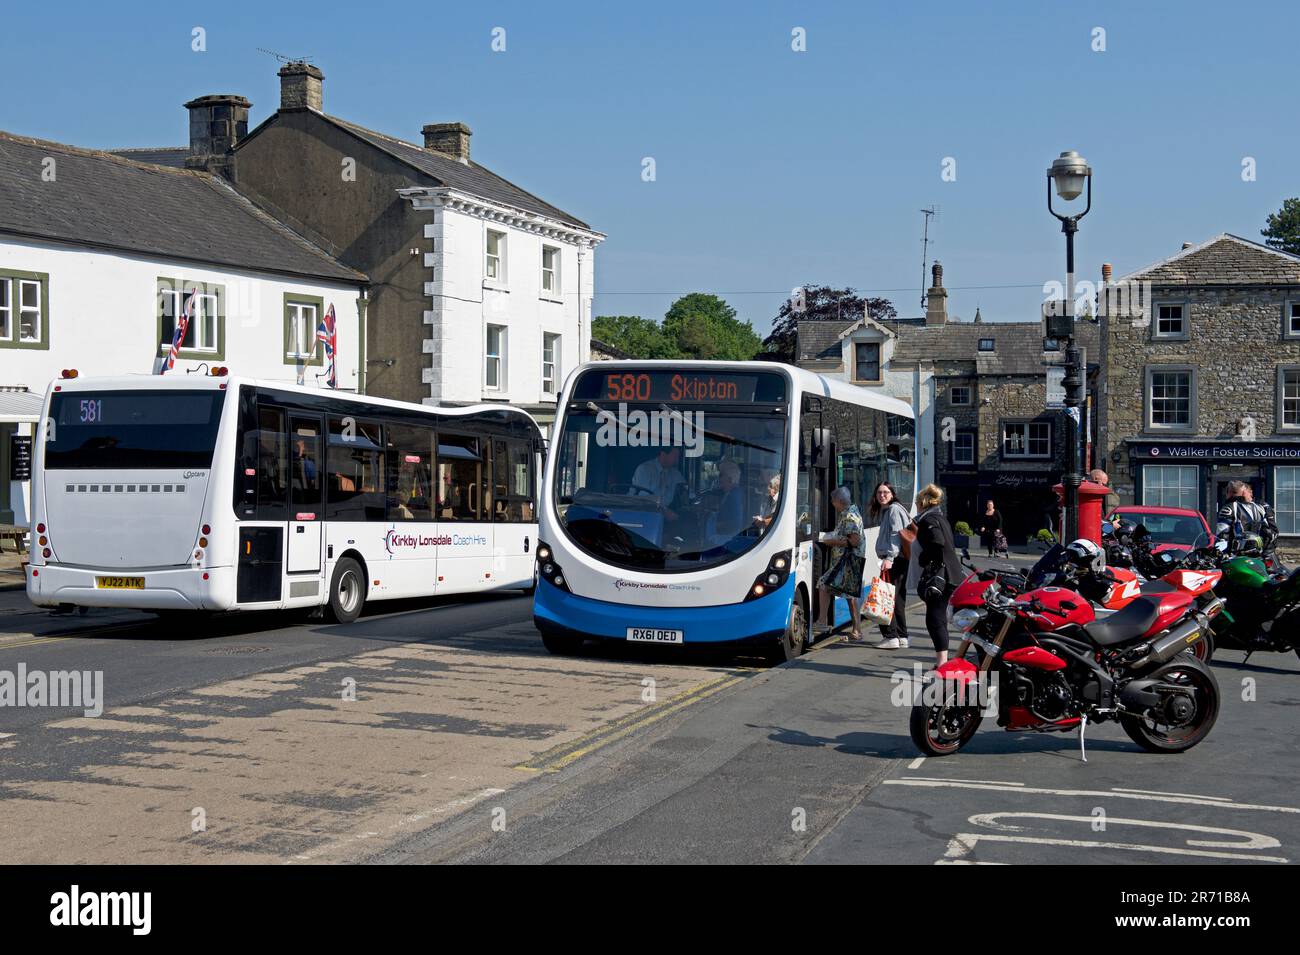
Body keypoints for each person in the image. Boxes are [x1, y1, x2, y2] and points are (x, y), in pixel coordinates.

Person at [915, 484, 962, 667]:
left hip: (943, 575)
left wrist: (924, 558)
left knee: (935, 619)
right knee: (938, 617)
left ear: (922, 503)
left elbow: (938, 542)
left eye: (917, 503)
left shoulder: (929, 520)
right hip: (951, 573)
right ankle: (942, 662)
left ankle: (942, 664)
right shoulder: (939, 517)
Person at [818, 486, 866, 642]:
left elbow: (855, 540)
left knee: (824, 584)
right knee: (850, 596)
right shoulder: (850, 512)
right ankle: (857, 630)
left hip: (848, 561)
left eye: (833, 501)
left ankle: (822, 621)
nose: (832, 504)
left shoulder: (849, 516)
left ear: (839, 501)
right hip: (849, 560)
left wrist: (831, 541)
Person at [870, 481, 911, 650]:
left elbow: (895, 535)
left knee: (886, 598)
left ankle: (891, 636)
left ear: (892, 494)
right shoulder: (894, 508)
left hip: (894, 559)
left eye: (886, 492)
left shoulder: (893, 509)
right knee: (898, 599)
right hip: (901, 559)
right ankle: (902, 636)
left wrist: (889, 558)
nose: (882, 495)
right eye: (879, 492)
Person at [1216, 480, 1278, 552]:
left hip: (1237, 555)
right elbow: (1273, 533)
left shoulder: (1229, 508)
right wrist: (1267, 553)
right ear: (1244, 492)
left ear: (1229, 493)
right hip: (1261, 554)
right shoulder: (1263, 506)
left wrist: (1220, 553)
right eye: (1249, 491)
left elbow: (1222, 535)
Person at [631, 447, 685, 518]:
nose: (677, 460)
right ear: (663, 454)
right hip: (642, 514)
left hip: (664, 515)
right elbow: (644, 499)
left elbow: (686, 489)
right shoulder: (644, 469)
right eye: (675, 456)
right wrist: (664, 511)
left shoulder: (675, 474)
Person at [712, 459, 745, 538]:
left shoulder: (734, 495)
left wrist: (716, 525)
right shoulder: (729, 493)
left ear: (730, 479)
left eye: (721, 475)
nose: (719, 478)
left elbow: (737, 522)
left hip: (728, 537)